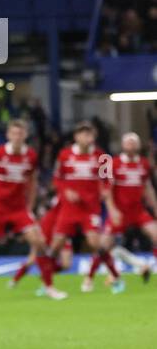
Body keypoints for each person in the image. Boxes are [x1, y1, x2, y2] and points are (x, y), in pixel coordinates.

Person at [0, 118, 63, 301]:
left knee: (39, 243)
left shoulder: (31, 156)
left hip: (19, 209)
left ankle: (49, 287)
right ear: (8, 135)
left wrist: (30, 207)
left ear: (25, 135)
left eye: (20, 133)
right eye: (14, 133)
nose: (17, 136)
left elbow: (32, 181)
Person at [42, 122, 121, 295]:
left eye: (90, 134)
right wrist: (66, 191)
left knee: (96, 243)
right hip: (68, 208)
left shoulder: (102, 157)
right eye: (84, 134)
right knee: (55, 246)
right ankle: (47, 284)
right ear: (76, 136)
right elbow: (57, 179)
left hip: (90, 209)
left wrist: (106, 194)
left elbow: (108, 182)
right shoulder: (64, 155)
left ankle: (115, 276)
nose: (87, 138)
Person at [89, 131, 157, 285]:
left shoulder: (144, 164)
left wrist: (155, 206)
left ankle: (145, 267)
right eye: (128, 142)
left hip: (138, 211)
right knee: (103, 246)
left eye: (133, 142)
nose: (131, 145)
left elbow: (147, 187)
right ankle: (90, 278)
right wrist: (112, 210)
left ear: (138, 145)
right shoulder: (114, 163)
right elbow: (107, 190)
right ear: (123, 145)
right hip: (120, 211)